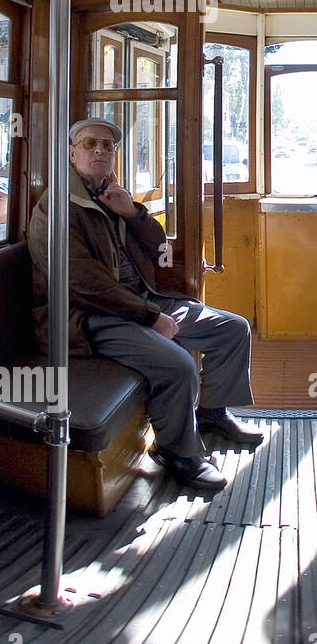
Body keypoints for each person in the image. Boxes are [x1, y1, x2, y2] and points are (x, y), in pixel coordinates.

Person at [28, 117, 258, 491]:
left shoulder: (109, 195)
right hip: (85, 317)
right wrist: (151, 317)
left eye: (108, 145)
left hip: (138, 300)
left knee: (232, 329)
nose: (100, 150)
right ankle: (177, 452)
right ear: (71, 154)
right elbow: (81, 281)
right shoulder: (57, 207)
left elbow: (157, 248)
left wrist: (132, 213)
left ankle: (212, 412)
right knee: (179, 365)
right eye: (89, 144)